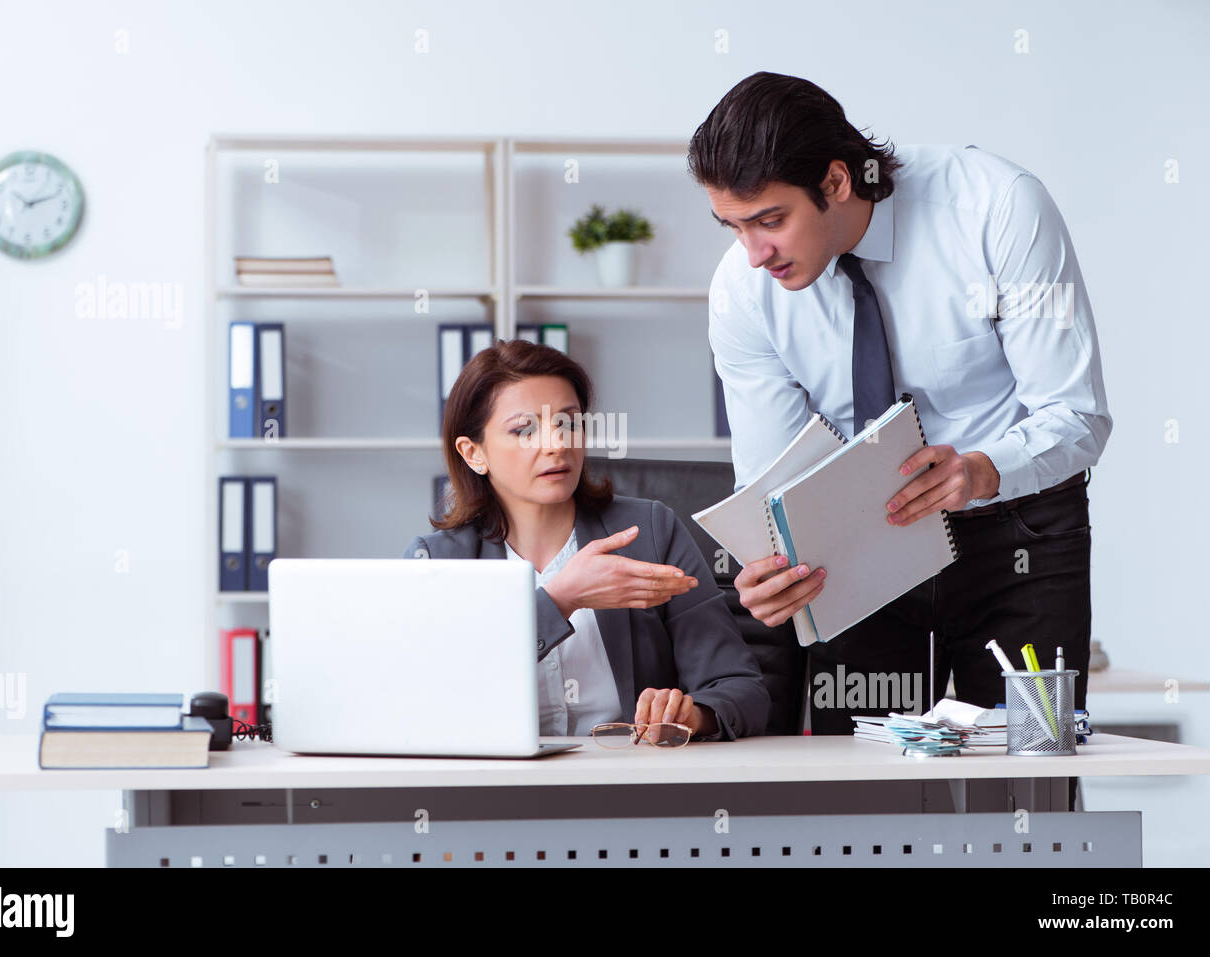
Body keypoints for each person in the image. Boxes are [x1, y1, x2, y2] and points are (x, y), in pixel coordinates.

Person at [688, 72, 1112, 735]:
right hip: (858, 546)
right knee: (858, 787)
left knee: (1031, 773)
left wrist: (981, 469)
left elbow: (1077, 416)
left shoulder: (997, 208)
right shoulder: (742, 293)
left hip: (1018, 530)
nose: (754, 253)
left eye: (771, 220)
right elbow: (770, 484)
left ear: (835, 182)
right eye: (734, 226)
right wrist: (765, 571)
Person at [403, 339, 769, 741]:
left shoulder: (650, 531)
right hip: (496, 792)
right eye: (525, 430)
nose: (557, 444)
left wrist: (693, 715)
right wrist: (559, 601)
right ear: (474, 453)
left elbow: (743, 690)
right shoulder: (437, 563)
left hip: (632, 784)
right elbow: (428, 700)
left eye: (568, 422)